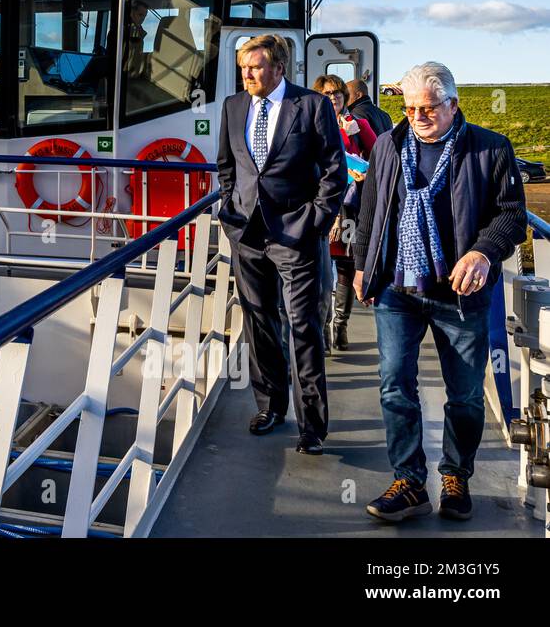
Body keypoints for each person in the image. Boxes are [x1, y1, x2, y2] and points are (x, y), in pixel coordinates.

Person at [353, 61, 526, 522]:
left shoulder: (490, 149)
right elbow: (370, 210)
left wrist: (483, 252)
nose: (418, 117)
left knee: (465, 395)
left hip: (460, 294)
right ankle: (409, 481)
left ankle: (455, 475)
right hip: (397, 289)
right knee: (394, 385)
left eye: (428, 108)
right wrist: (360, 266)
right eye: (410, 109)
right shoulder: (390, 145)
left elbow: (511, 216)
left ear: (454, 105)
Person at [217, 35, 348, 454]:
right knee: (259, 322)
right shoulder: (233, 106)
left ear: (278, 68)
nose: (247, 75)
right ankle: (270, 405)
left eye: (254, 68)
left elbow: (334, 171)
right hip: (247, 234)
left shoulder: (311, 106)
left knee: (303, 326)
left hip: (296, 233)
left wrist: (315, 220)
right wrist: (228, 208)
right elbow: (227, 165)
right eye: (243, 69)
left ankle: (312, 426)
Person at [313, 73, 376, 352]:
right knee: (321, 271)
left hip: (350, 208)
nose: (334, 97)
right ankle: (324, 329)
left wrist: (364, 173)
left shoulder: (359, 124)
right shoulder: (309, 125)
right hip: (321, 207)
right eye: (327, 93)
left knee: (346, 271)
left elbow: (380, 158)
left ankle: (340, 326)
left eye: (338, 93)